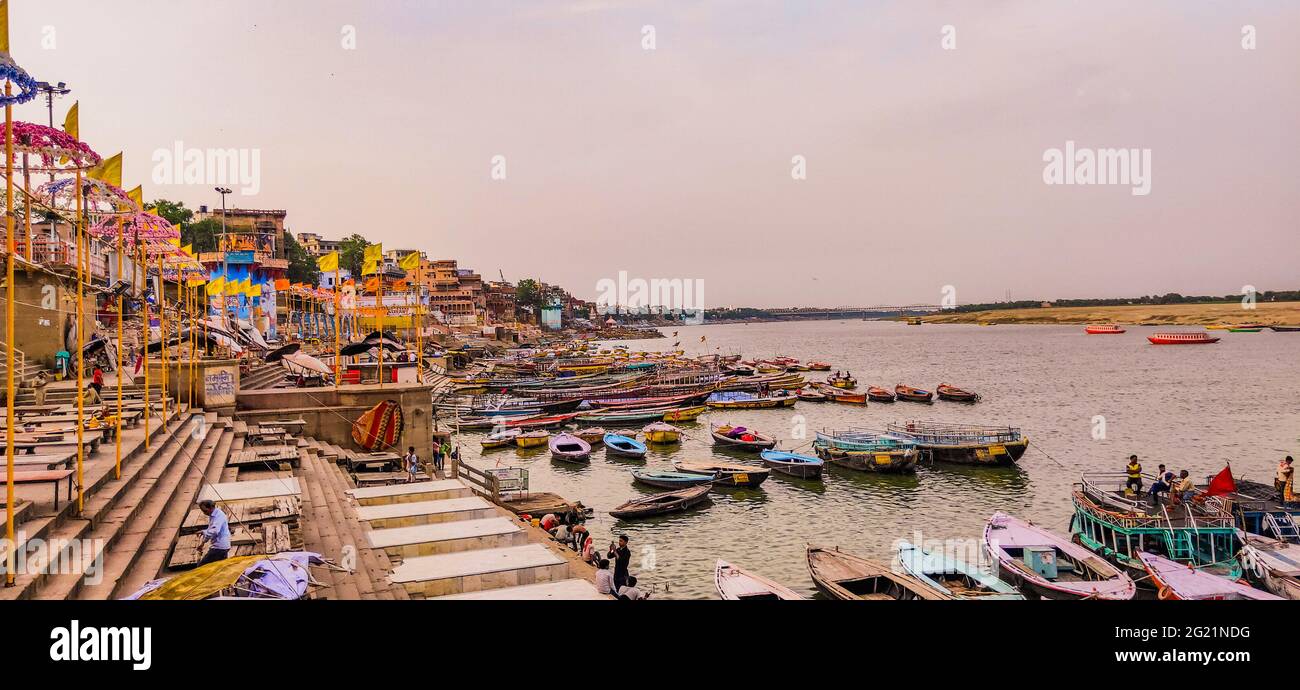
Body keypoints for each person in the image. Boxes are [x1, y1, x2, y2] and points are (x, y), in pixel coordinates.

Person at [197, 499, 231, 566]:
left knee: (201, 566)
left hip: (219, 547)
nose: (204, 513)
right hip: (222, 546)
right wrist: (203, 543)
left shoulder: (219, 516)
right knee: (220, 567)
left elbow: (214, 531)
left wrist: (204, 533)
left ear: (211, 507)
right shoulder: (212, 515)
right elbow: (210, 530)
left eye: (205, 511)